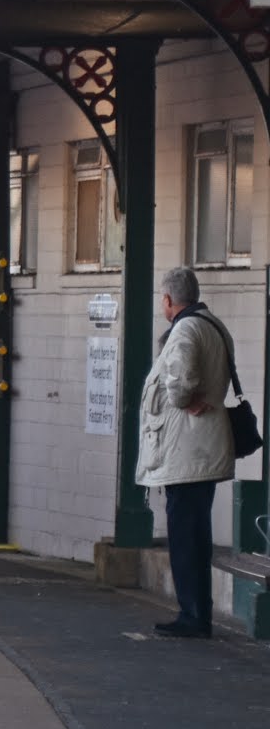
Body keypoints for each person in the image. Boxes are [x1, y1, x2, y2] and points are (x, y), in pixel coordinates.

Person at [135, 265, 235, 639]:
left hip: (187, 451)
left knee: (185, 535)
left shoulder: (185, 329)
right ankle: (196, 612)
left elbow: (179, 379)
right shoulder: (213, 324)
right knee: (196, 533)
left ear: (168, 300)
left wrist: (183, 398)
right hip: (200, 449)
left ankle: (193, 616)